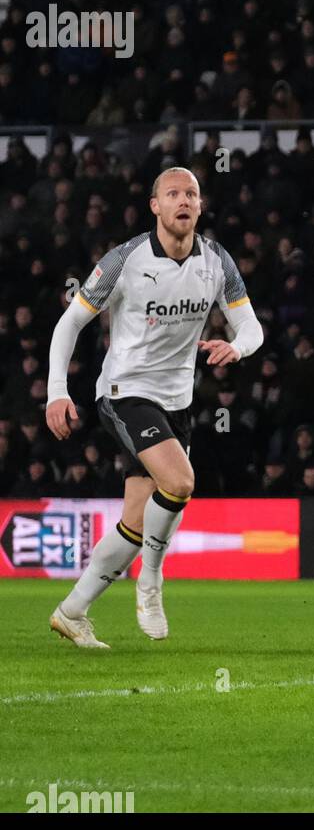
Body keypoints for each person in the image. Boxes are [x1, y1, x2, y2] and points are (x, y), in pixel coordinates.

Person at [45, 167, 263, 648]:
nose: (183, 200)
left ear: (200, 207)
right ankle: (151, 581)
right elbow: (69, 324)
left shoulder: (216, 261)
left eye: (191, 193)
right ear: (155, 206)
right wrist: (56, 390)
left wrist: (238, 349)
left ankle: (72, 611)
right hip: (124, 392)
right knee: (181, 481)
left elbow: (251, 327)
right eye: (173, 193)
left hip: (177, 402)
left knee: (138, 520)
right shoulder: (125, 260)